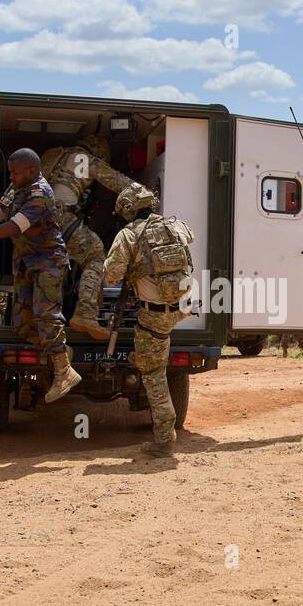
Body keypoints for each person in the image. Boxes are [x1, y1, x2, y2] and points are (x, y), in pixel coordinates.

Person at [0, 148, 80, 403]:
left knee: (46, 315)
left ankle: (63, 370)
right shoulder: (17, 189)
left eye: (14, 172)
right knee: (22, 323)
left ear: (31, 171)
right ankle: (60, 353)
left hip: (48, 262)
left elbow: (13, 226)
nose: (10, 176)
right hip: (26, 263)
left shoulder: (40, 194)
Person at [103, 183, 194, 457]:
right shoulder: (176, 226)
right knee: (154, 348)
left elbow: (112, 276)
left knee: (154, 374)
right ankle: (144, 356)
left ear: (128, 209)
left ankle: (164, 440)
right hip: (180, 307)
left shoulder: (127, 235)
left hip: (155, 315)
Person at [39, 134, 142, 340]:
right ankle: (85, 312)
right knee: (95, 255)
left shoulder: (53, 157)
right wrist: (144, 193)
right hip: (60, 216)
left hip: (34, 220)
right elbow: (115, 181)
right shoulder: (82, 159)